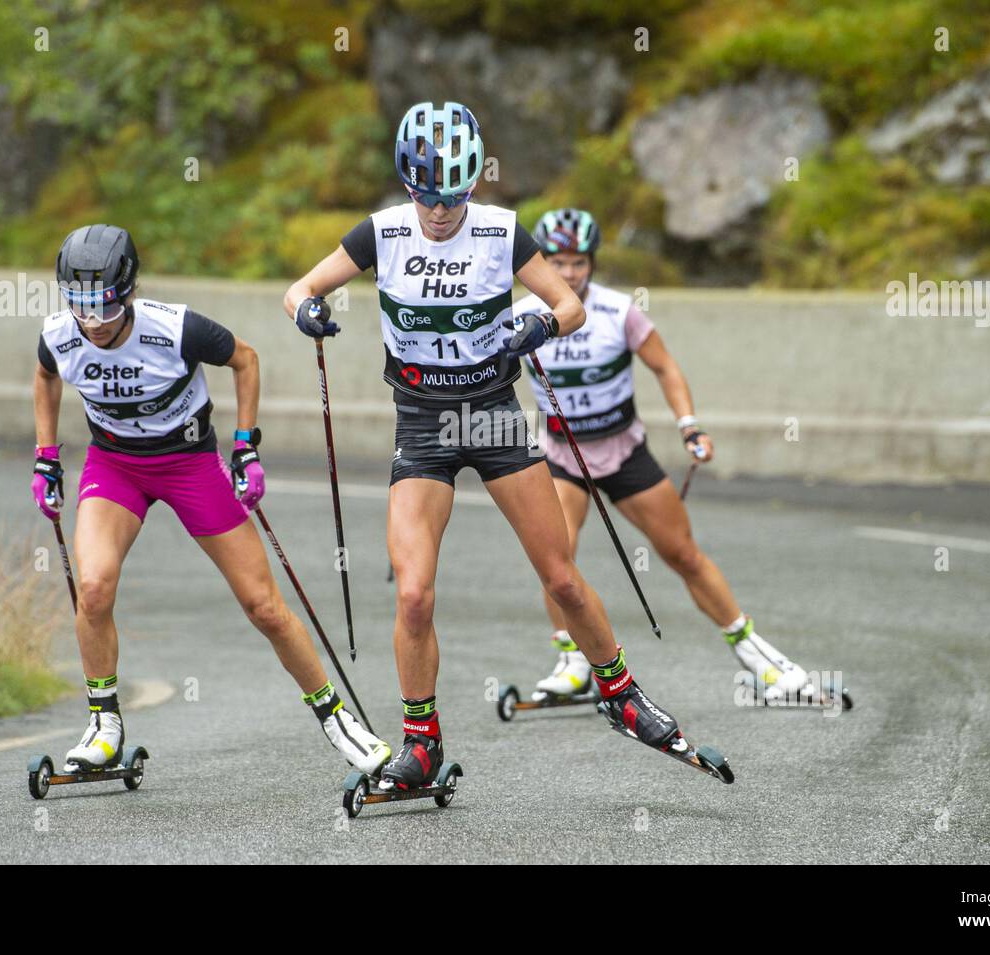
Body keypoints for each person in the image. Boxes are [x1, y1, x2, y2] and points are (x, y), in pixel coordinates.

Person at [283, 101, 705, 791]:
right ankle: (420, 744)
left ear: (475, 181)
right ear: (408, 181)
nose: (441, 210)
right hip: (421, 420)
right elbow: (300, 287)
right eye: (428, 195)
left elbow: (567, 305)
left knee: (560, 575)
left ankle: (621, 693)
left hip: (493, 415)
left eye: (455, 195)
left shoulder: (502, 232)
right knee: (414, 593)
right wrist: (307, 310)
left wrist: (540, 325)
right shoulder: (382, 232)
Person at [32, 223, 389, 776]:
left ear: (126, 291)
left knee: (263, 606)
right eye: (80, 307)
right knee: (95, 587)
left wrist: (245, 446)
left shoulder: (175, 328)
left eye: (103, 307)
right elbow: (45, 375)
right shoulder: (60, 334)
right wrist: (46, 454)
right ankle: (104, 724)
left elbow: (245, 360)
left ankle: (338, 720)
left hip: (189, 464)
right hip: (115, 466)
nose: (93, 323)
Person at [514, 208, 817, 703]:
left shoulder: (617, 312)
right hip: (564, 459)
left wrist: (688, 425)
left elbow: (666, 367)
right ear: (542, 262)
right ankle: (573, 660)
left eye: (578, 262)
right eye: (558, 262)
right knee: (556, 563)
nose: (569, 273)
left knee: (681, 553)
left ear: (592, 262)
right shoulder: (520, 315)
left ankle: (754, 651)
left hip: (624, 452)